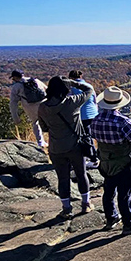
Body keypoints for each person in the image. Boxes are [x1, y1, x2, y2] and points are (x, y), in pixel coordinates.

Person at [91, 86, 131, 233]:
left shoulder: (96, 120)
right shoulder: (122, 121)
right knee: (124, 194)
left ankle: (111, 218)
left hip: (105, 163)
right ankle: (129, 223)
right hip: (124, 164)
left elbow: (93, 136)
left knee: (108, 191)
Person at [37, 76, 95, 219]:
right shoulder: (72, 102)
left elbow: (44, 127)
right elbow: (89, 89)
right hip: (75, 146)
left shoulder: (43, 107)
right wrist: (74, 82)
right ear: (66, 89)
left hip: (56, 148)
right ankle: (86, 204)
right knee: (81, 174)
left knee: (62, 179)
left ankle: (66, 209)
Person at [68, 69, 99, 168]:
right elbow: (95, 100)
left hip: (81, 115)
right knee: (91, 136)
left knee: (85, 137)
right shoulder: (89, 86)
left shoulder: (72, 88)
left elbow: (69, 102)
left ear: (71, 78)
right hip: (93, 113)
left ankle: (93, 159)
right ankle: (93, 156)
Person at [9, 70, 47, 148]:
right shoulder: (36, 80)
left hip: (30, 107)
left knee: (35, 123)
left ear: (15, 77)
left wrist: (16, 118)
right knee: (49, 122)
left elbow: (13, 103)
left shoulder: (16, 87)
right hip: (44, 104)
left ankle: (40, 142)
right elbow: (47, 89)